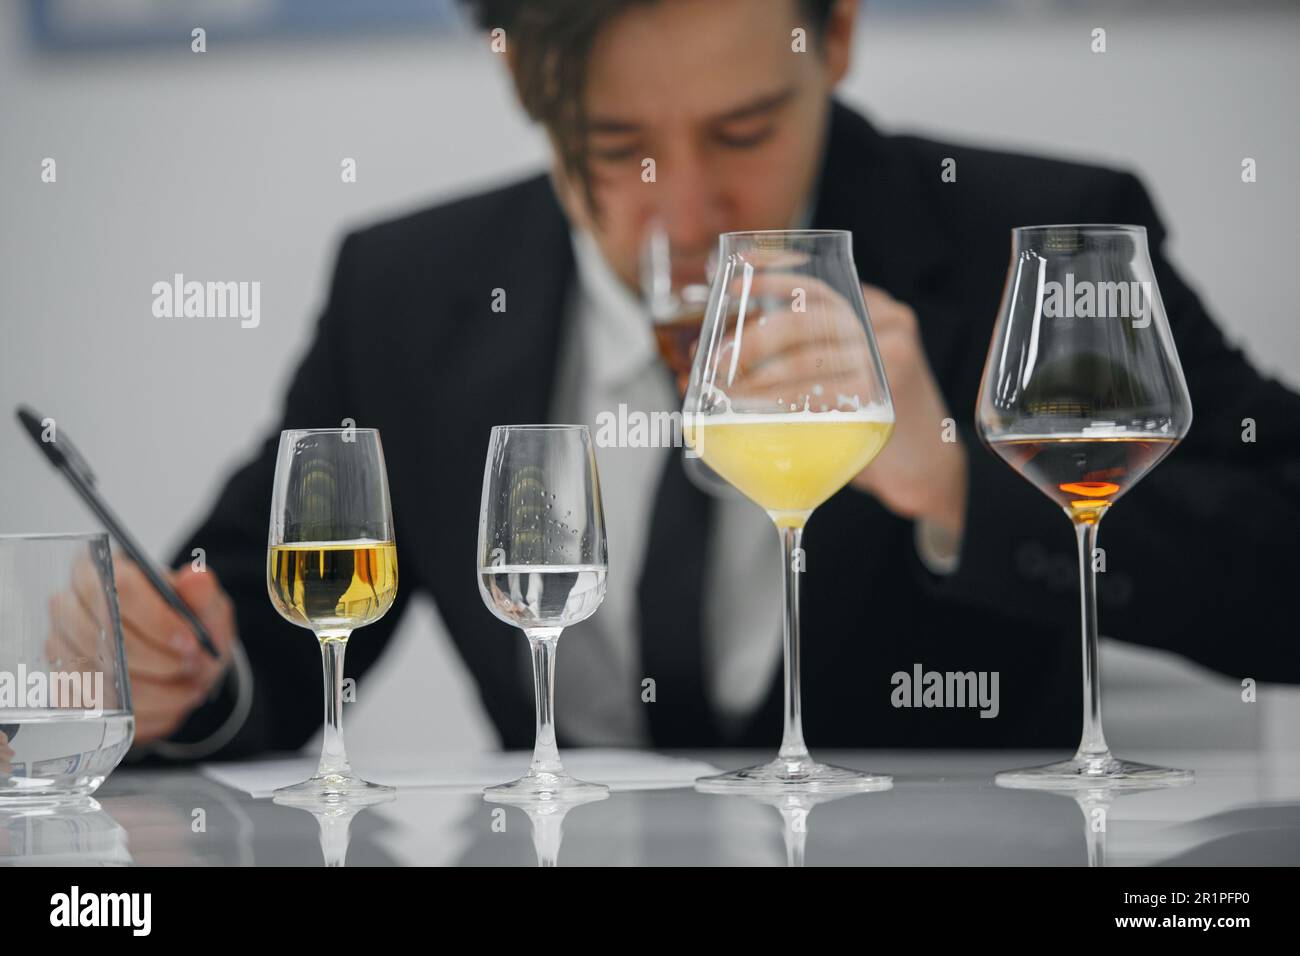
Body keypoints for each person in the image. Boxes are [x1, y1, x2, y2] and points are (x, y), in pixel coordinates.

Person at [102, 0, 1299, 759]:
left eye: (742, 133)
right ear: (527, 85)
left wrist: (959, 481)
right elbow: (257, 641)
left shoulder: (1039, 239)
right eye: (616, 148)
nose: (684, 216)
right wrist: (179, 676)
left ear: (835, 36)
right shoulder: (405, 288)